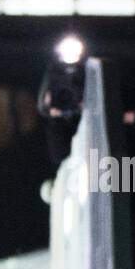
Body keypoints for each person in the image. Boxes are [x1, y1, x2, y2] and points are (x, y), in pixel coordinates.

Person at [37, 34, 87, 168]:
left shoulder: (85, 70)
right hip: (59, 132)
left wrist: (85, 107)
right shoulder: (53, 70)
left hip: (84, 127)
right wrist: (51, 110)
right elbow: (42, 106)